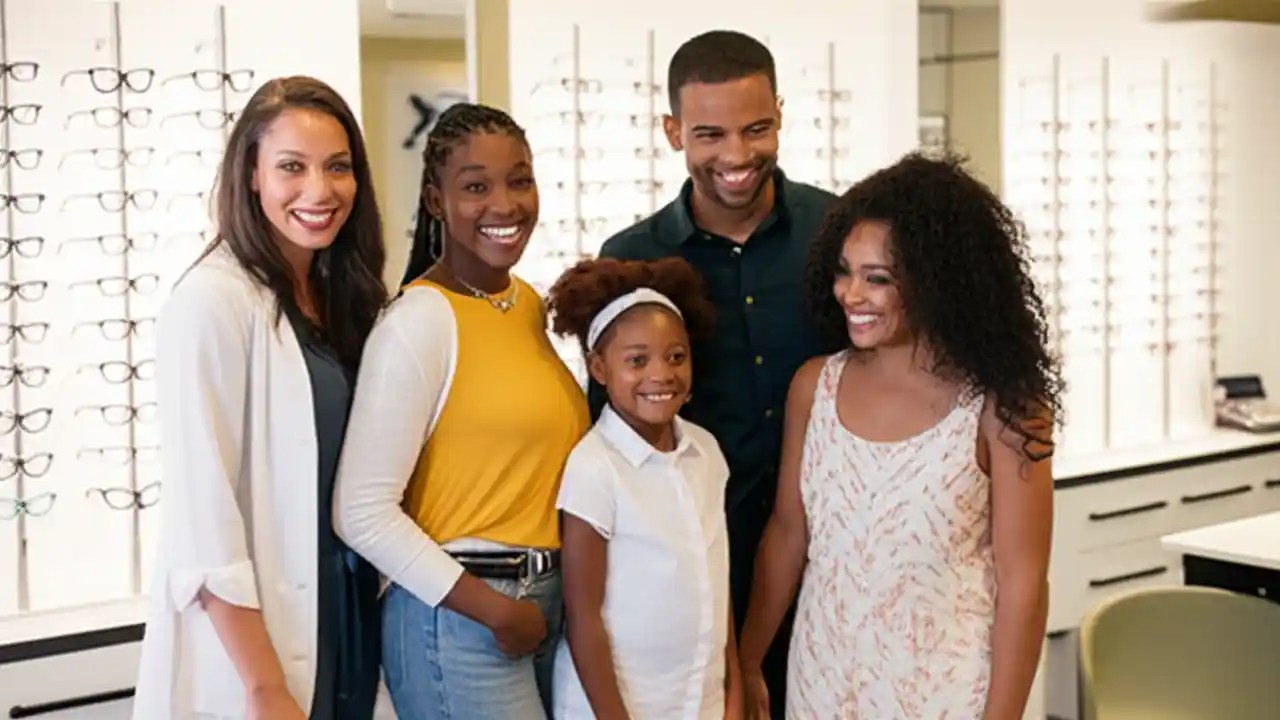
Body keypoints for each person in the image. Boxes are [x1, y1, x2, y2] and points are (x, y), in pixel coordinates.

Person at [738, 152, 1063, 719]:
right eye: (844, 271)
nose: (850, 294)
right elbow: (788, 535)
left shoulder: (1004, 406)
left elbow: (1024, 582)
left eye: (877, 279)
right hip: (822, 688)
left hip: (948, 698)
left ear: (940, 282)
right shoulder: (814, 387)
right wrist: (743, 665)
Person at [590, 29, 836, 717]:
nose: (736, 156)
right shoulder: (631, 261)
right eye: (709, 134)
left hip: (832, 567)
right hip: (690, 577)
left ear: (781, 114)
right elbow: (609, 438)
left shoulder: (837, 230)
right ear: (672, 131)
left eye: (756, 129)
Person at [131, 76, 388, 719]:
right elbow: (203, 513)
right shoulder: (211, 302)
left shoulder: (340, 299)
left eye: (338, 167)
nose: (319, 191)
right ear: (251, 174)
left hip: (344, 618)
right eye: (291, 168)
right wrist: (263, 686)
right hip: (257, 648)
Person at [332, 102, 591, 720]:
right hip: (461, 618)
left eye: (519, 180)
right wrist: (494, 610)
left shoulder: (525, 303)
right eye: (475, 186)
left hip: (541, 606)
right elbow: (359, 511)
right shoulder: (418, 322)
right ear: (436, 201)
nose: (504, 205)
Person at [544, 257, 740, 719]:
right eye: (637, 360)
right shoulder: (594, 467)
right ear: (599, 368)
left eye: (676, 356)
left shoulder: (706, 453)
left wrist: (732, 696)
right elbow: (584, 619)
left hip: (701, 703)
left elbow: (716, 582)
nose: (661, 375)